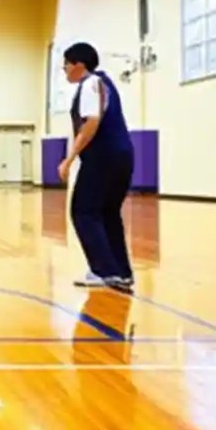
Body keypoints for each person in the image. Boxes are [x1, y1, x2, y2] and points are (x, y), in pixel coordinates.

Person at [57, 42, 135, 290]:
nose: (64, 69)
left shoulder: (90, 84)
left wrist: (69, 158)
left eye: (66, 64)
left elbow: (91, 122)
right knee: (108, 213)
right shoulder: (105, 83)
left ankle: (103, 270)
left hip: (103, 158)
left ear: (79, 65)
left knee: (83, 211)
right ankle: (121, 272)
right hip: (122, 156)